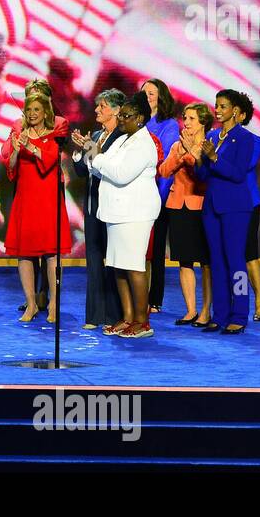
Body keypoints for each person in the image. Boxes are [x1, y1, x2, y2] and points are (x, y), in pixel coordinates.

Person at [84, 93, 161, 339]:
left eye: (126, 116)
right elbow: (99, 168)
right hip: (117, 212)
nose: (122, 120)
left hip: (135, 213)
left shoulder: (143, 143)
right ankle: (127, 317)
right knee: (118, 266)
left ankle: (142, 321)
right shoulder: (123, 140)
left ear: (139, 118)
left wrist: (97, 157)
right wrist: (91, 154)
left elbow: (120, 173)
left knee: (134, 267)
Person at [2, 93, 72, 323]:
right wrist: (14, 149)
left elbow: (49, 162)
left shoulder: (54, 136)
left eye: (36, 110)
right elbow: (12, 169)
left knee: (51, 254)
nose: (32, 114)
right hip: (25, 199)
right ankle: (30, 304)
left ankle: (53, 303)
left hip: (48, 200)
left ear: (45, 114)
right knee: (24, 255)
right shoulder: (19, 135)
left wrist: (30, 145)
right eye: (29, 110)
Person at [196, 89, 260, 335]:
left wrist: (214, 158)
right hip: (211, 206)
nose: (217, 110)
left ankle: (240, 314)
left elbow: (237, 173)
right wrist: (200, 159)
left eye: (222, 106)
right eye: (216, 105)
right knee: (216, 261)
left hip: (236, 207)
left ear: (235, 110)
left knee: (235, 261)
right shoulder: (212, 135)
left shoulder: (245, 138)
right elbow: (202, 176)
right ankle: (220, 314)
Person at [70, 89, 127, 331]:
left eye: (102, 107)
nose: (96, 111)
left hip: (113, 207)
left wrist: (91, 148)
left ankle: (114, 315)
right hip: (92, 206)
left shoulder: (123, 137)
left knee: (113, 261)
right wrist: (78, 153)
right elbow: (84, 171)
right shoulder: (95, 135)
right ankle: (94, 316)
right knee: (93, 260)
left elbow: (110, 168)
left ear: (116, 110)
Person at [158, 102, 213, 327]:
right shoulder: (177, 145)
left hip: (200, 205)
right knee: (184, 261)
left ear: (202, 122)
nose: (186, 123)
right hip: (178, 205)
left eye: (191, 119)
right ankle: (190, 310)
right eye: (185, 118)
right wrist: (181, 154)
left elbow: (202, 174)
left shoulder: (209, 145)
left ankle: (206, 310)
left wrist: (191, 153)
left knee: (206, 262)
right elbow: (163, 170)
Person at [141, 79, 180, 316]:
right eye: (143, 92)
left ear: (161, 97)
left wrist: (160, 198)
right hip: (134, 196)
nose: (147, 96)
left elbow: (167, 164)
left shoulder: (168, 125)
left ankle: (154, 298)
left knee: (155, 250)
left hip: (157, 195)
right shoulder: (135, 123)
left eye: (152, 93)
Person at [235, 93, 260, 323]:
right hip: (220, 204)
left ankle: (259, 301)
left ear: (243, 115)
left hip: (246, 202)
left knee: (248, 253)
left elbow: (244, 166)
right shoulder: (214, 137)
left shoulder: (255, 141)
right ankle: (236, 301)